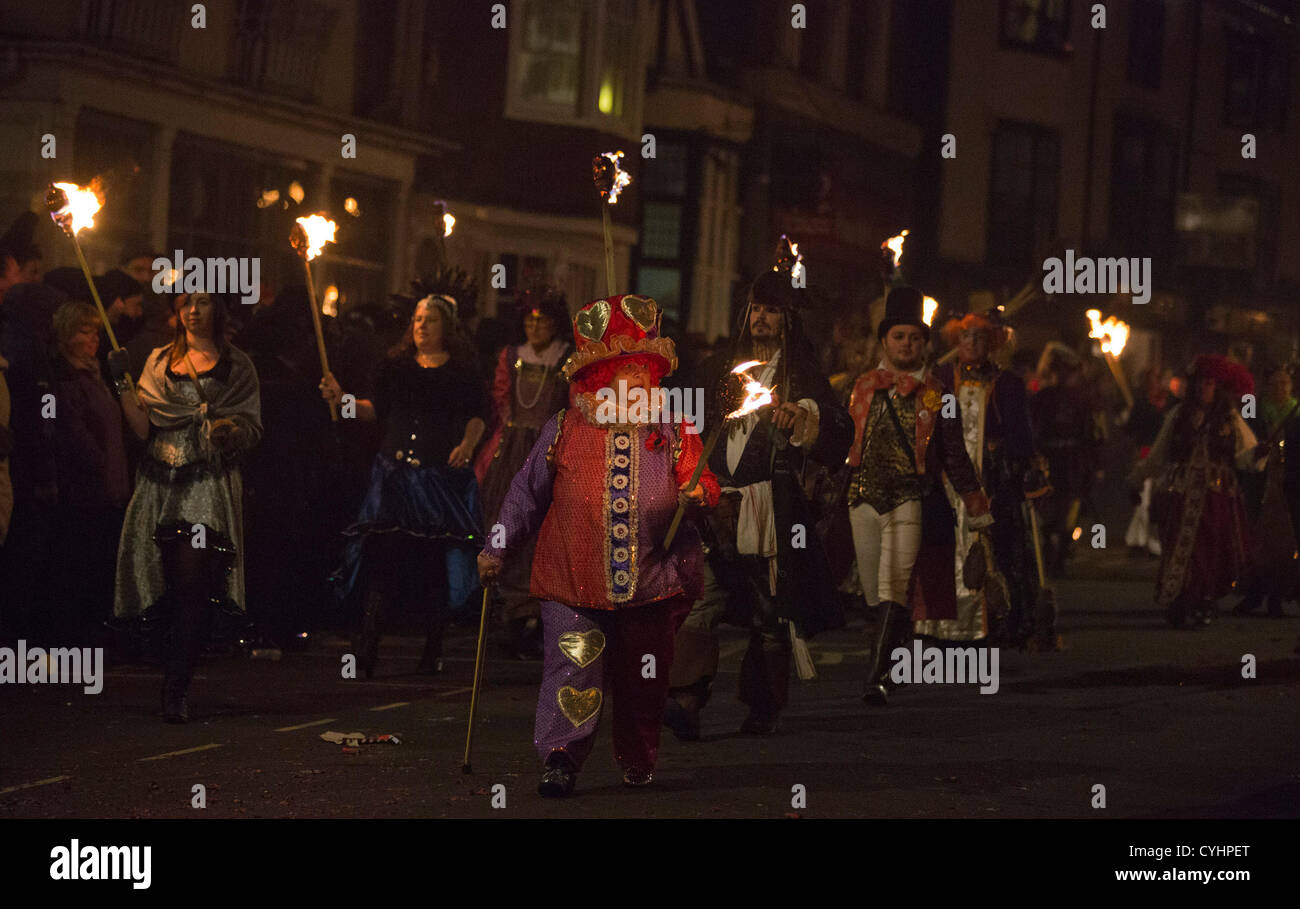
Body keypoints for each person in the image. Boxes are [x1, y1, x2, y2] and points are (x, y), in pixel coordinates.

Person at [477, 294, 719, 796]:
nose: (631, 380)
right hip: (572, 576)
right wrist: (496, 548)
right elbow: (524, 493)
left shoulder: (673, 425)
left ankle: (637, 757)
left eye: (639, 369)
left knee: (642, 680)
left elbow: (702, 480)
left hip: (652, 579)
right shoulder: (564, 428)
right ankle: (561, 757)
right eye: (618, 370)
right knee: (574, 666)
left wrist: (699, 493)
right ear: (596, 377)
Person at [665, 269, 853, 738]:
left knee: (770, 611)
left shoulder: (802, 374)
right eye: (756, 309)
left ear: (788, 318)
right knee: (702, 598)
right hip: (718, 503)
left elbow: (838, 433)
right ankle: (685, 697)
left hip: (773, 508)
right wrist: (687, 478)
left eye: (771, 310)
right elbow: (686, 428)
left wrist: (804, 417)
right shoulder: (717, 369)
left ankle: (764, 706)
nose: (761, 319)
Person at [321, 292, 487, 677]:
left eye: (429, 319)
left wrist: (467, 444)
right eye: (416, 319)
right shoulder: (396, 367)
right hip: (393, 478)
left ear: (447, 327)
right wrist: (341, 399)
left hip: (436, 479)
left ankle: (433, 650)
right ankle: (367, 649)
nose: (421, 325)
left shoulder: (461, 372)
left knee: (431, 565)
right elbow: (374, 410)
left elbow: (477, 415)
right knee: (383, 561)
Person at [114, 292, 262, 722]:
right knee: (165, 583)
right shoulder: (159, 361)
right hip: (160, 482)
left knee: (194, 578)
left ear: (219, 310)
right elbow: (143, 425)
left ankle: (176, 686)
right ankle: (171, 670)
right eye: (186, 303)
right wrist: (123, 383)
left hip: (207, 485)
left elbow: (252, 427)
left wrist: (228, 430)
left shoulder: (238, 366)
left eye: (203, 301)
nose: (193, 310)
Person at [846, 287, 991, 704]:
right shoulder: (860, 388)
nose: (906, 344)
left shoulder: (939, 395)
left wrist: (976, 505)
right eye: (899, 336)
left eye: (914, 337)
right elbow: (843, 441)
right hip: (862, 500)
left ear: (924, 344)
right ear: (884, 342)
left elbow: (955, 455)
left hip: (910, 499)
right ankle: (893, 663)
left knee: (895, 586)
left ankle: (874, 679)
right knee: (875, 595)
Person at [926, 310, 1045, 647]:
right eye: (965, 335)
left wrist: (1013, 467)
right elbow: (927, 416)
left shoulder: (1007, 384)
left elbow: (1021, 435)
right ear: (955, 340)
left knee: (996, 551)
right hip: (948, 483)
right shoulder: (942, 378)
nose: (971, 342)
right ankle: (943, 625)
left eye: (979, 336)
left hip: (992, 481)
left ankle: (998, 621)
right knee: (947, 551)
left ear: (992, 343)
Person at [473, 287, 573, 659]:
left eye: (543, 321)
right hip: (512, 448)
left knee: (543, 526)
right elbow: (501, 399)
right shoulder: (512, 356)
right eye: (530, 320)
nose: (535, 327)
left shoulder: (565, 358)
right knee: (503, 517)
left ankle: (536, 610)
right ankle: (511, 608)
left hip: (549, 448)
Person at [1130, 354, 1265, 627]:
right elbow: (1158, 455)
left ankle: (1204, 600)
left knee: (1212, 550)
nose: (1205, 388)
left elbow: (1245, 457)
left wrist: (1260, 453)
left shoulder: (1230, 418)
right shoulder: (1178, 415)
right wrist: (1136, 480)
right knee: (1179, 548)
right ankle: (1180, 600)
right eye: (1201, 383)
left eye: (1210, 384)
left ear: (1218, 388)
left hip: (1217, 497)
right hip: (1180, 493)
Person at [50, 301, 133, 643]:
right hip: (85, 491)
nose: (93, 338)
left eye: (96, 331)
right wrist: (98, 464)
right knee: (80, 567)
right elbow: (72, 431)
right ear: (67, 336)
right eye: (85, 331)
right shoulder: (66, 378)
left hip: (108, 488)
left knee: (100, 566)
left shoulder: (96, 375)